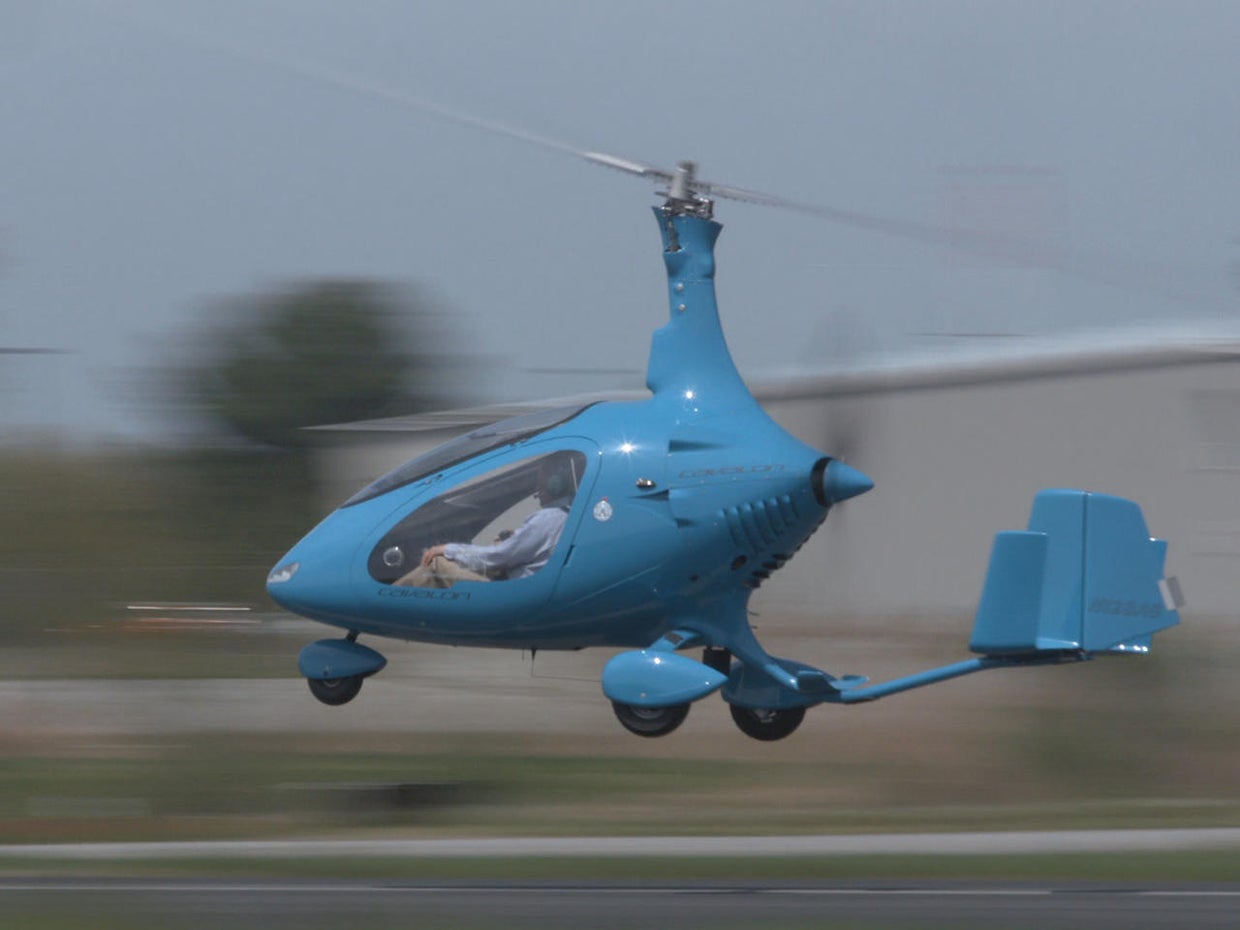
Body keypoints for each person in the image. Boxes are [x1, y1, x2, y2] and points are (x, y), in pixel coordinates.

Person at [395, 461, 574, 588]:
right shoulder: (567, 516)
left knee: (437, 564)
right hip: (525, 587)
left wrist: (447, 549)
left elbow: (498, 556)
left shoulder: (548, 518)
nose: (537, 490)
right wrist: (514, 539)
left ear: (555, 484)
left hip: (510, 592)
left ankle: (384, 604)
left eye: (540, 482)